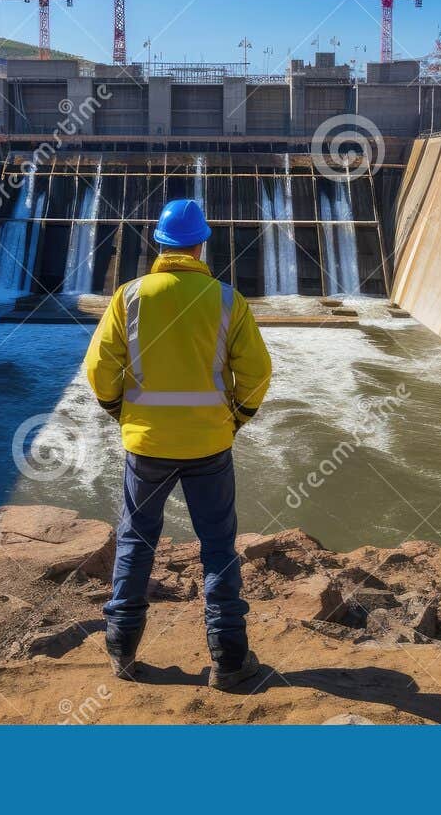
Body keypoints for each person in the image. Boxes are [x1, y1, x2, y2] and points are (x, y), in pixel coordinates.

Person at [83, 198, 273, 691]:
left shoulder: (129, 297)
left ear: (159, 245)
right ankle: (230, 662)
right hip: (210, 444)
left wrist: (118, 411)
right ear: (201, 244)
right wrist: (237, 418)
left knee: (136, 541)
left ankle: (121, 651)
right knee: (217, 548)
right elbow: (256, 372)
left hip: (146, 446)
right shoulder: (227, 299)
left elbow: (99, 368)